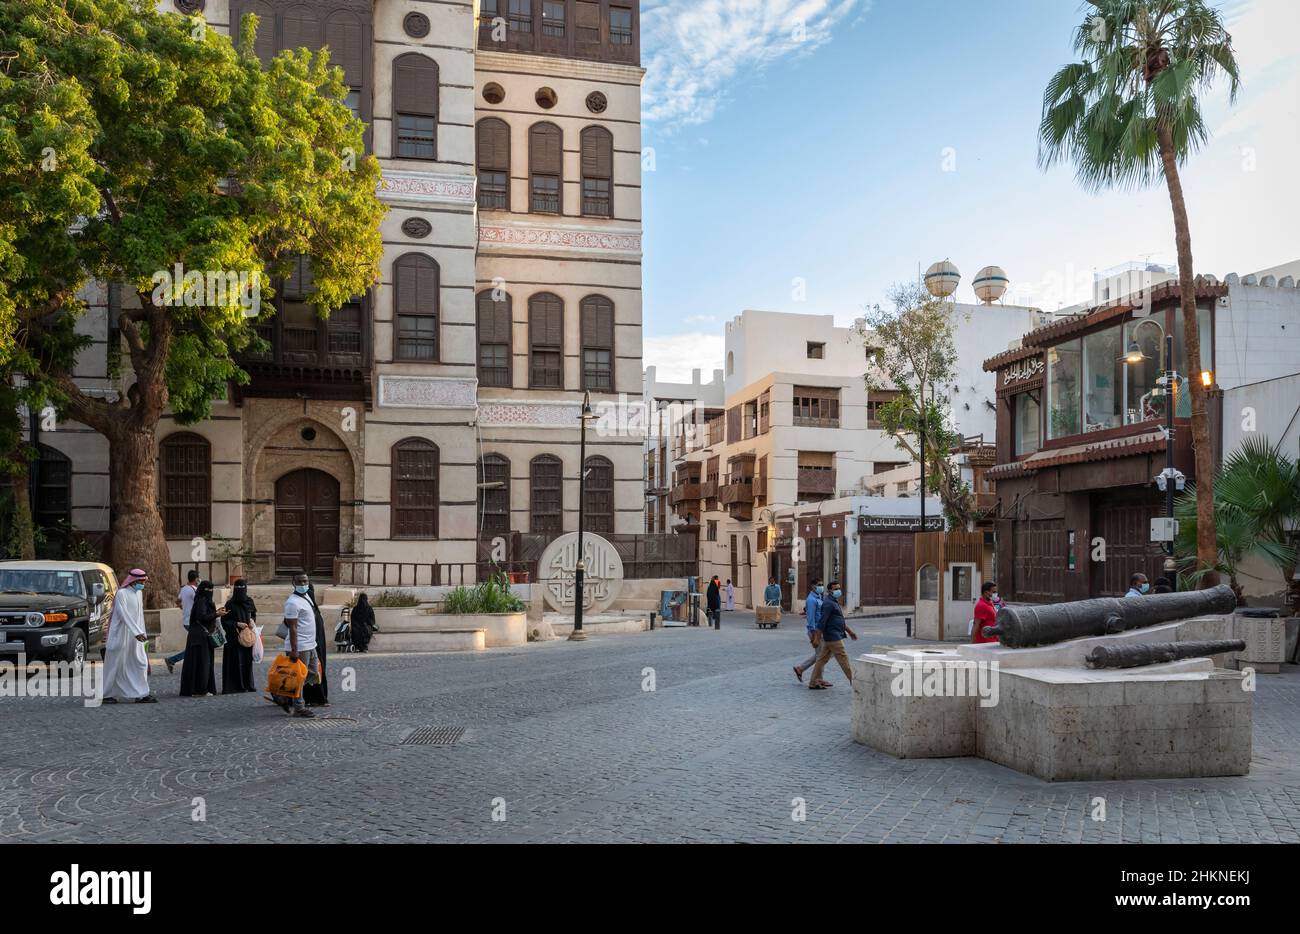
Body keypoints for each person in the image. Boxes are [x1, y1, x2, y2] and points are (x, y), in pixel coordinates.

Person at [101, 569, 157, 704]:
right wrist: (137, 632)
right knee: (115, 664)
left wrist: (141, 633)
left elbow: (139, 616)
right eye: (142, 582)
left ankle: (142, 694)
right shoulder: (122, 594)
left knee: (140, 662)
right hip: (121, 635)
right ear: (134, 581)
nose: (143, 584)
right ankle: (107, 694)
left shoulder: (138, 593)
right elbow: (123, 614)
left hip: (135, 637)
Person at [277, 573, 318, 718]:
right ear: (293, 583)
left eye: (305, 581)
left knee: (313, 673)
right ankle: (299, 707)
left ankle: (284, 693)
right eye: (299, 582)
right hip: (299, 646)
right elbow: (292, 627)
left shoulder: (306, 597)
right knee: (299, 677)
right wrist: (294, 650)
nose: (303, 584)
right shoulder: (292, 602)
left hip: (310, 644)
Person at [808, 581, 857, 690]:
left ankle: (813, 682)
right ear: (829, 591)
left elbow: (839, 620)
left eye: (838, 588)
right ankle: (856, 683)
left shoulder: (833, 601)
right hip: (833, 637)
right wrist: (816, 638)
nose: (838, 590)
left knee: (821, 659)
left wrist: (850, 632)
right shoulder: (829, 603)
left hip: (831, 636)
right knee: (844, 660)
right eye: (835, 589)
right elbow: (822, 622)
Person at [179, 581, 222, 697]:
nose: (210, 592)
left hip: (200, 636)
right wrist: (217, 614)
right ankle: (200, 689)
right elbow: (202, 617)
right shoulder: (201, 601)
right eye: (208, 590)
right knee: (201, 664)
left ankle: (200, 688)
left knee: (201, 663)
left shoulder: (202, 600)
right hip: (199, 637)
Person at [221, 579, 258, 693]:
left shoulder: (249, 601)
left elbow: (253, 614)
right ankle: (234, 686)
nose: (241, 591)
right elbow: (224, 620)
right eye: (238, 588)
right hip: (233, 638)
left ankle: (247, 685)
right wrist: (236, 624)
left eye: (243, 588)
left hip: (247, 637)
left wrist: (252, 621)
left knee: (246, 662)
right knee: (234, 661)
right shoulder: (230, 604)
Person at [301, 581, 330, 707]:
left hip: (312, 645)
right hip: (311, 646)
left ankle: (313, 698)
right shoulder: (311, 608)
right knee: (312, 672)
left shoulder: (310, 608)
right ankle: (314, 698)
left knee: (312, 672)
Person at [165, 570, 198, 674]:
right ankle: (172, 660)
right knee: (195, 646)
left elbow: (177, 601)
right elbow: (199, 603)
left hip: (186, 621)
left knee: (194, 645)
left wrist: (183, 608)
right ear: (196, 579)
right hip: (193, 621)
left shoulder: (184, 589)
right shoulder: (194, 590)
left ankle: (174, 660)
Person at [792, 577, 824, 683]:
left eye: (821, 585)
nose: (821, 587)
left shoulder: (819, 597)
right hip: (815, 631)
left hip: (820, 630)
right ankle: (818, 679)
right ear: (813, 586)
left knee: (822, 654)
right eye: (819, 585)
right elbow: (810, 619)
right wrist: (814, 635)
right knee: (821, 656)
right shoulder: (811, 600)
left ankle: (800, 668)